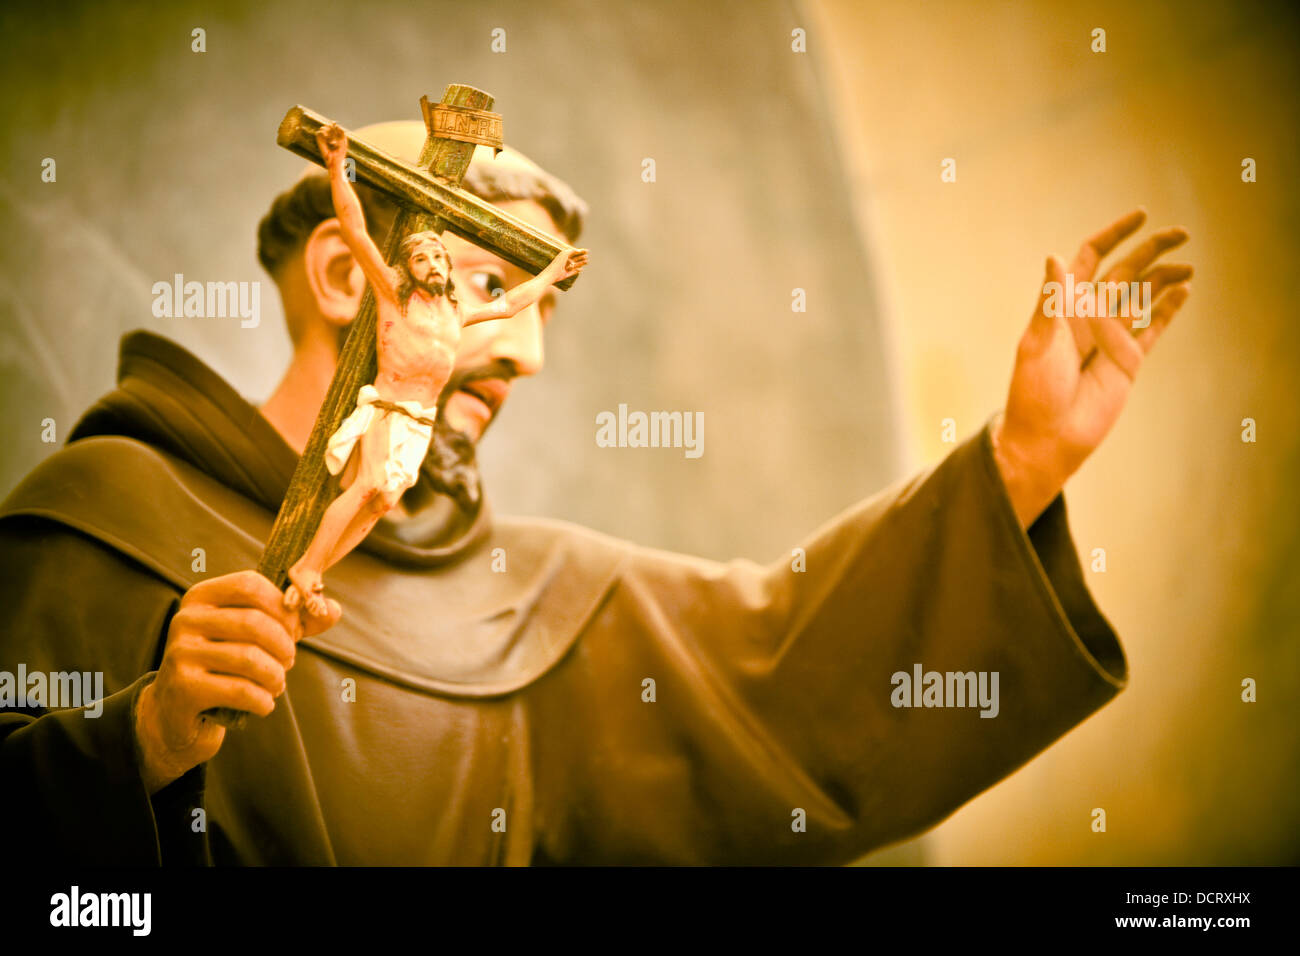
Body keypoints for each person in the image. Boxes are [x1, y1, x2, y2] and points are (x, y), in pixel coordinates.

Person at [0, 120, 1192, 865]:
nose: (528, 358)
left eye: (547, 312)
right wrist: (139, 740)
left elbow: (788, 672)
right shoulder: (105, 516)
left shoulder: (538, 597)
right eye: (492, 291)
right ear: (340, 272)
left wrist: (1023, 461)